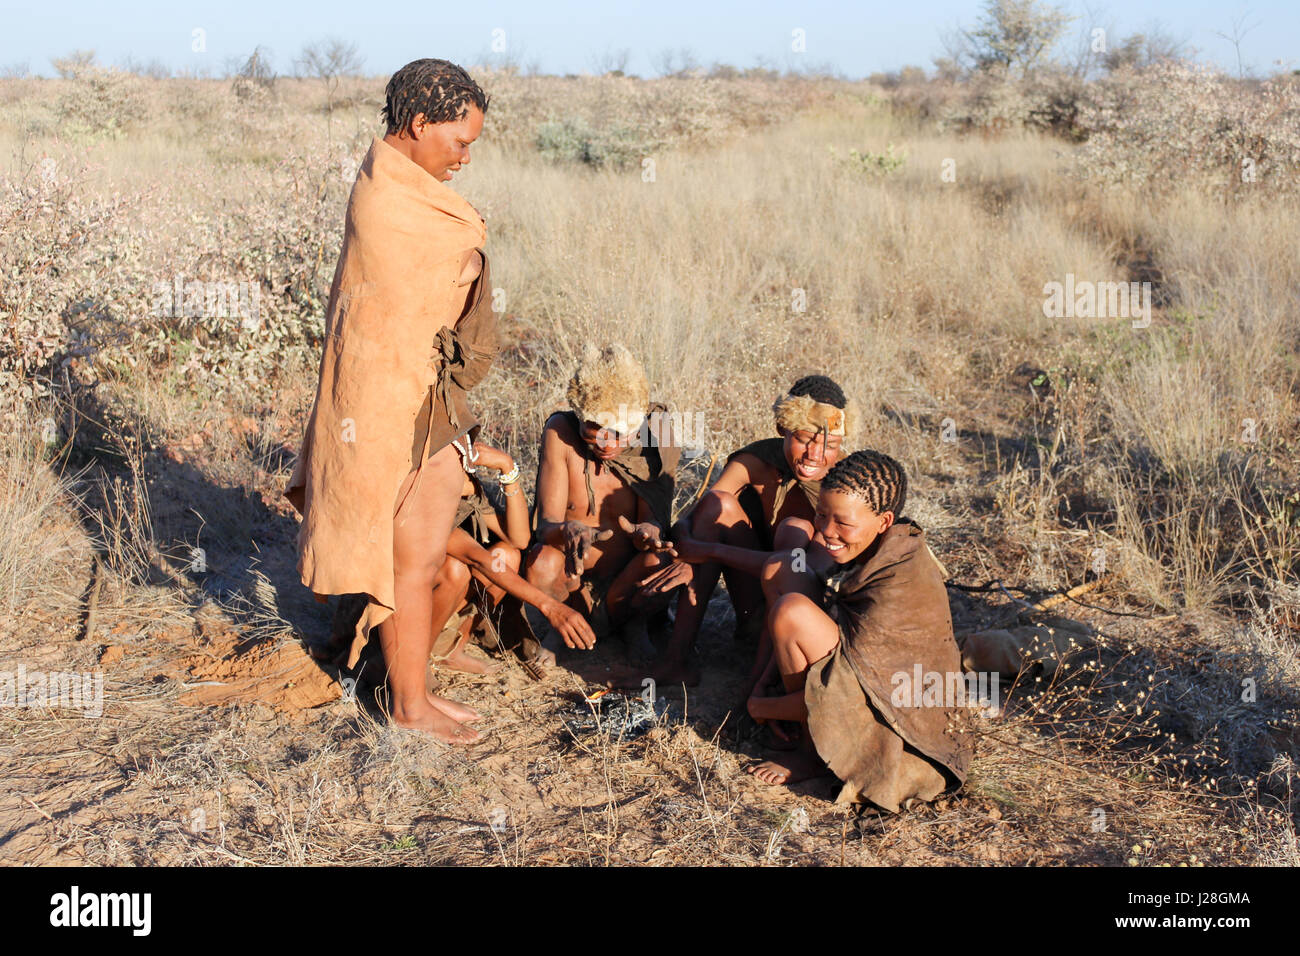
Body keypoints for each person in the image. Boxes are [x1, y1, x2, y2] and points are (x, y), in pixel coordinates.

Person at [286, 59, 495, 744]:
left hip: (420, 398)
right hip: (389, 405)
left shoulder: (408, 189)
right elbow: (438, 277)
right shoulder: (390, 201)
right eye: (459, 141)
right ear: (418, 124)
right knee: (411, 554)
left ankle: (415, 692)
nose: (464, 157)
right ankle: (408, 708)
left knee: (421, 553)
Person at [746, 450, 972, 812]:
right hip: (854, 672)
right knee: (784, 568)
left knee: (793, 612)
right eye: (821, 514)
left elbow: (859, 696)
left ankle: (813, 754)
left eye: (842, 523)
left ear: (883, 522)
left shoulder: (901, 578)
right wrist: (760, 682)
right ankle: (786, 720)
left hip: (894, 716)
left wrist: (762, 706)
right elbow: (795, 568)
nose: (826, 530)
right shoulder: (873, 542)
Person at [628, 375, 851, 687]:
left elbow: (796, 567)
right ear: (782, 430)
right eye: (804, 438)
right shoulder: (758, 460)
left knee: (794, 531)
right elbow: (694, 518)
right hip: (755, 606)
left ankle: (767, 682)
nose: (815, 454)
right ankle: (675, 659)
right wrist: (685, 554)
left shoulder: (844, 485)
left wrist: (708, 552)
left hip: (804, 620)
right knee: (719, 504)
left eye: (830, 445)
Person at [525, 344, 681, 656]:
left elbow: (651, 525)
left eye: (618, 433)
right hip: (568, 580)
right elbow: (546, 527)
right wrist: (568, 530)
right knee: (542, 561)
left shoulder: (654, 434)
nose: (606, 445)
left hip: (622, 584)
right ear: (580, 417)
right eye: (594, 432)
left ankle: (632, 626)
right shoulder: (560, 431)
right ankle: (560, 627)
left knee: (660, 561)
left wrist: (647, 534)